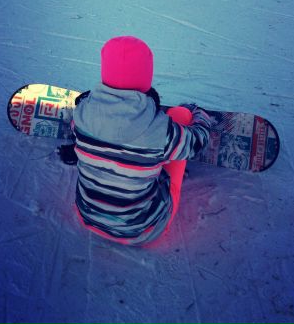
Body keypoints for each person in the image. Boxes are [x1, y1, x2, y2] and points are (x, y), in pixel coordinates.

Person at [71, 36, 212, 246]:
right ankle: (164, 152)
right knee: (180, 115)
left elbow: (76, 132)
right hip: (141, 230)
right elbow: (196, 144)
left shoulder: (81, 113)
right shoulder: (160, 130)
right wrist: (200, 117)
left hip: (87, 217)